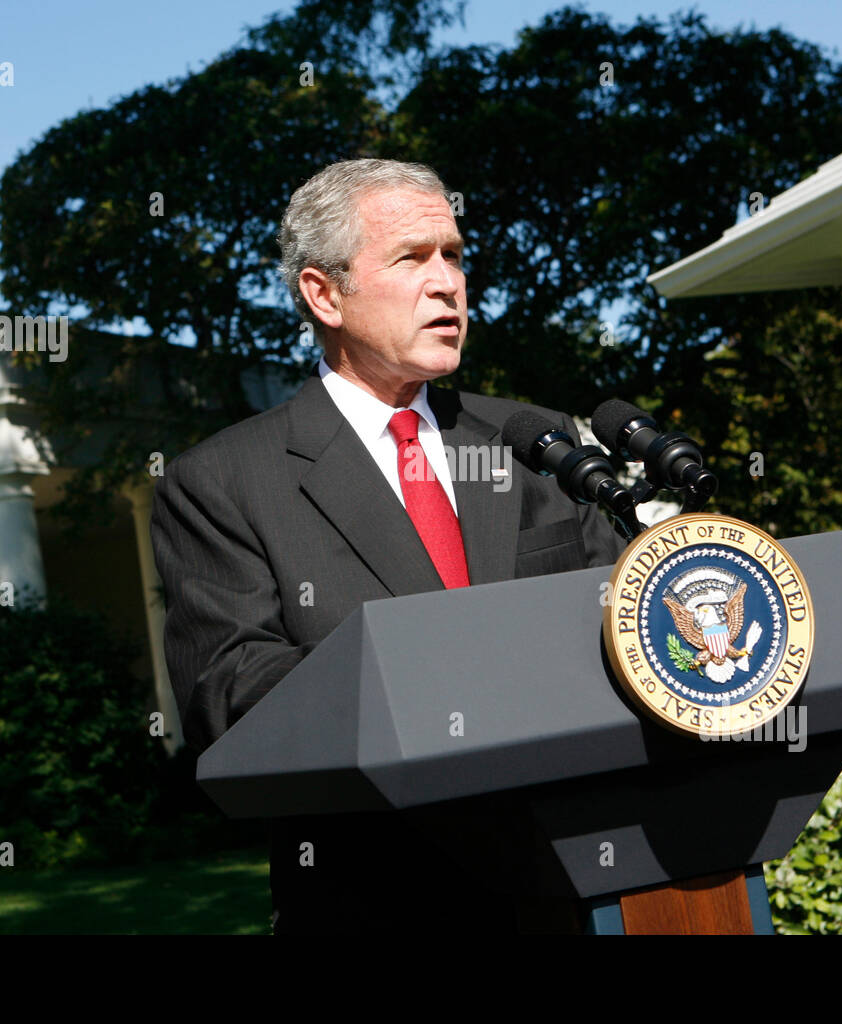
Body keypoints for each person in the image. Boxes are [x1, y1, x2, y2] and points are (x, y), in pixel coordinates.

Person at [150, 158, 624, 934]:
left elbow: (619, 618)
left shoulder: (531, 443)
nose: (447, 283)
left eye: (455, 255)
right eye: (412, 258)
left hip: (573, 893)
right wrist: (452, 669)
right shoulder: (222, 482)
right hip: (375, 902)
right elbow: (229, 697)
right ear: (323, 294)